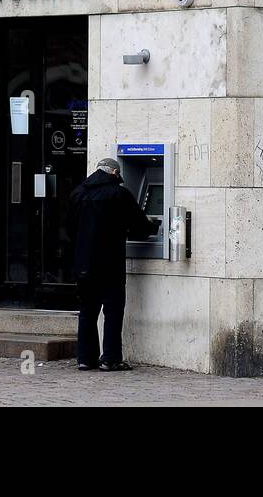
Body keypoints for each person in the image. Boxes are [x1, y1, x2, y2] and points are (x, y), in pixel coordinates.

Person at [68, 157, 160, 371]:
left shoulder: (78, 194)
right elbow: (139, 225)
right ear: (115, 173)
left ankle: (85, 358)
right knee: (112, 311)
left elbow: (69, 228)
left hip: (83, 264)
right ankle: (110, 359)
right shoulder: (118, 194)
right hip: (109, 263)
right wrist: (152, 228)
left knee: (87, 312)